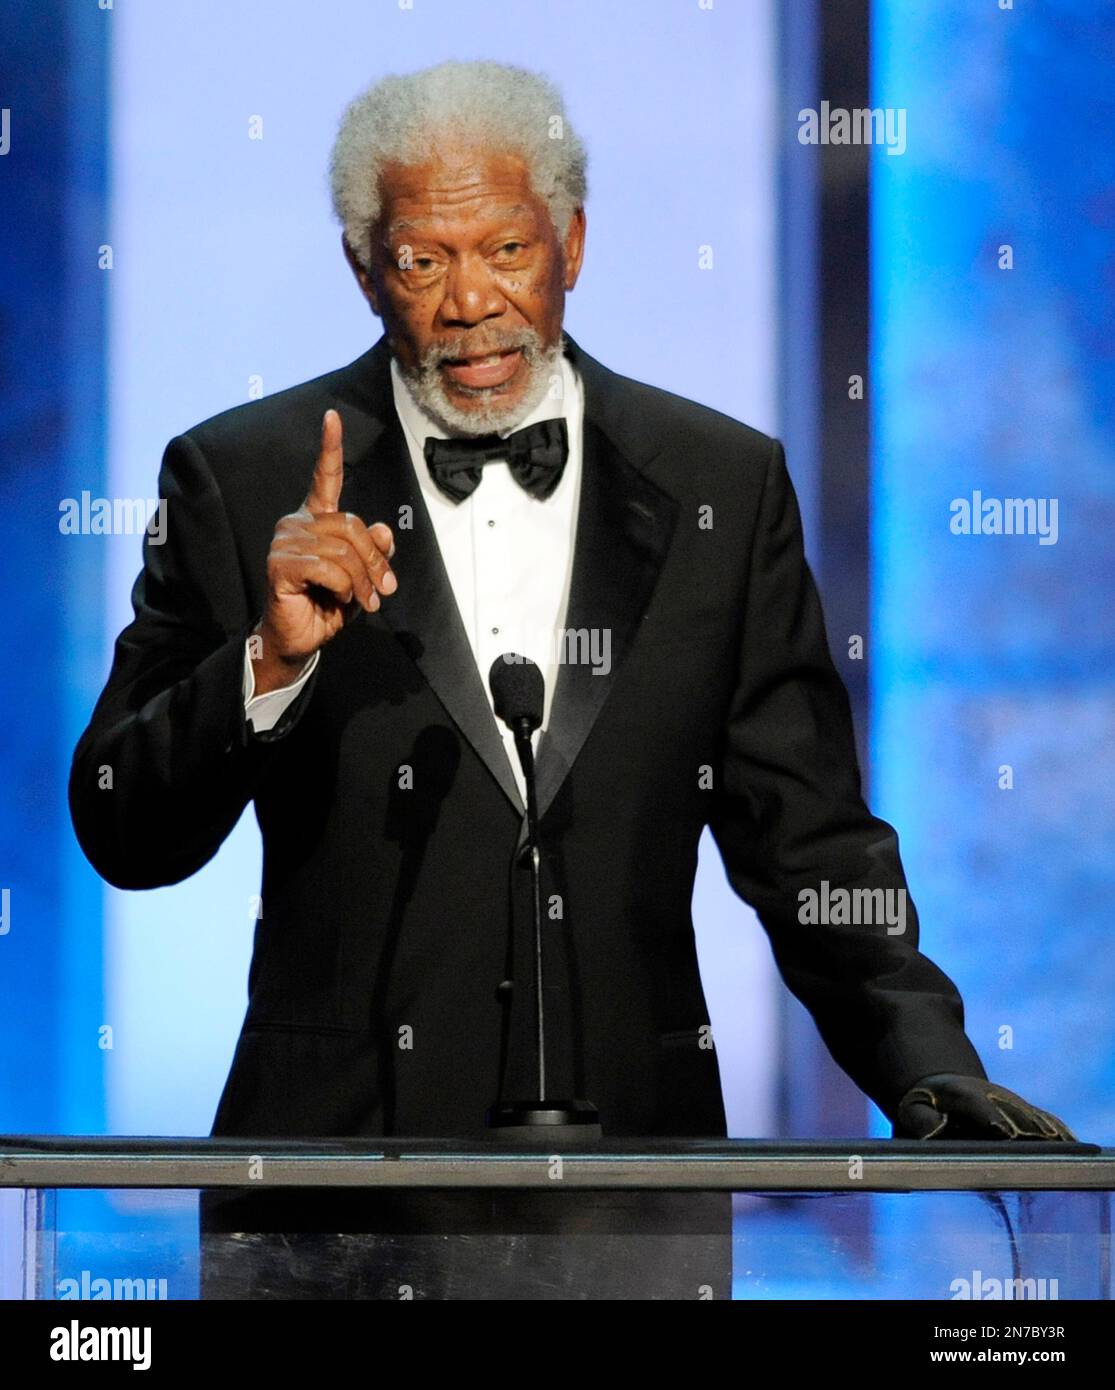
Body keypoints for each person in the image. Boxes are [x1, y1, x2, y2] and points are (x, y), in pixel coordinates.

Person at [69, 61, 1074, 1297]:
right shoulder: (243, 478)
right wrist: (266, 664)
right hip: (326, 1192)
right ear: (362, 266)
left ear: (573, 243)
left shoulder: (719, 484)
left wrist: (929, 1070)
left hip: (631, 1196)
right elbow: (121, 822)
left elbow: (809, 844)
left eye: (504, 247)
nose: (471, 303)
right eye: (423, 261)